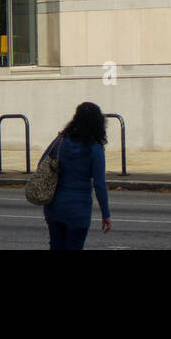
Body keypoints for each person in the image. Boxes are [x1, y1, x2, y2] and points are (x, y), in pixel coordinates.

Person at [42, 101, 111, 250]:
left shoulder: (60, 141)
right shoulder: (95, 149)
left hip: (54, 206)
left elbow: (42, 163)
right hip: (78, 210)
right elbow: (99, 184)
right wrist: (106, 214)